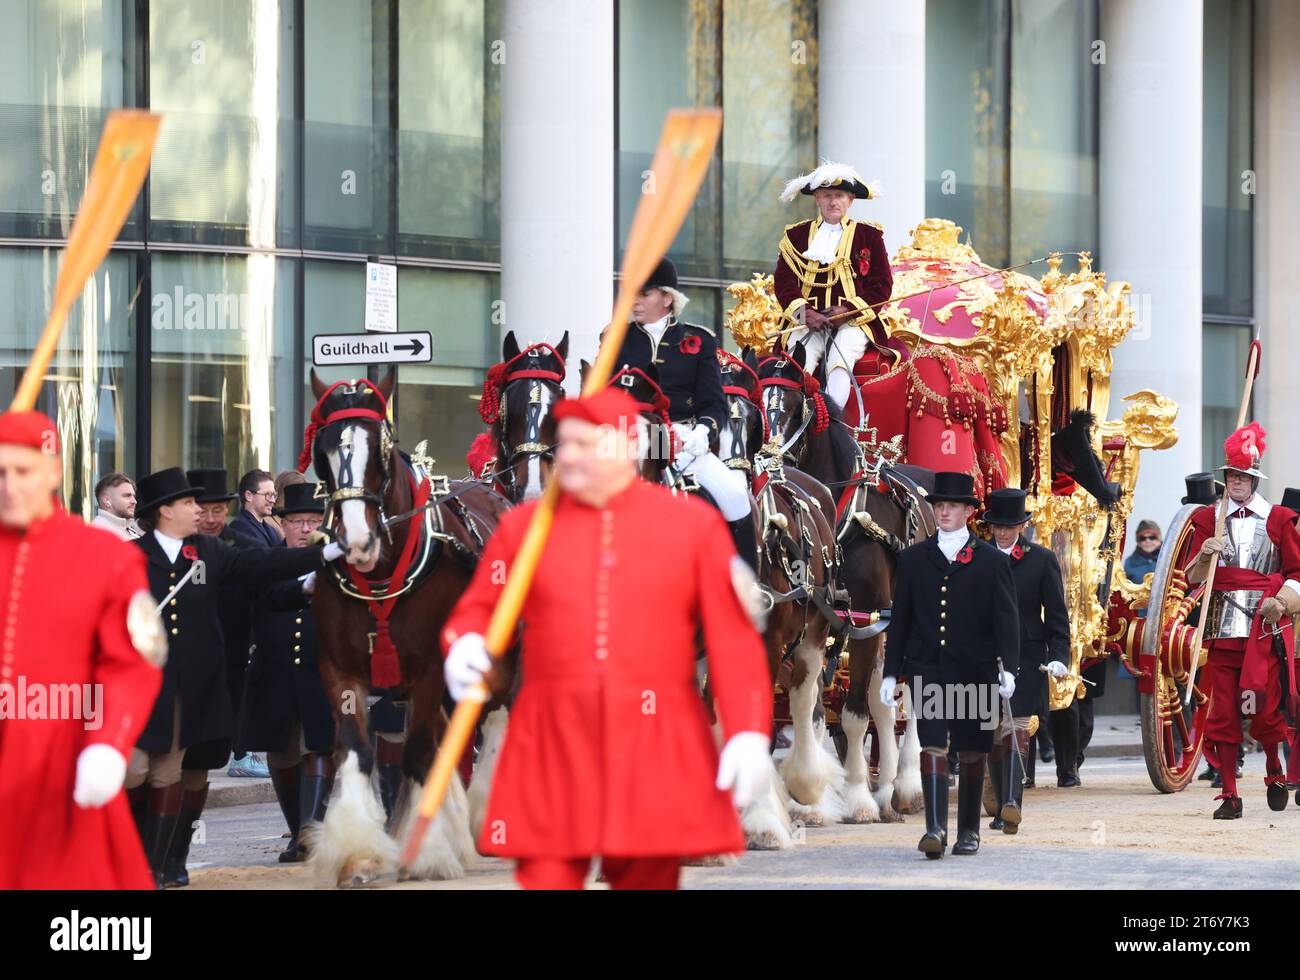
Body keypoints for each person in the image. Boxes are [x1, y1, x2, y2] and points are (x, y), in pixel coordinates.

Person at [441, 387, 773, 890]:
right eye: (563, 445)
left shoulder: (693, 526)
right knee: (547, 875)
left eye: (583, 444)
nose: (566, 456)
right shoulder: (524, 527)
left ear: (626, 447)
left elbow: (733, 639)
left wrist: (749, 731)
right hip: (552, 738)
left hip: (654, 737)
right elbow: (478, 609)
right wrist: (463, 643)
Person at [125, 467, 343, 886]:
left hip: (201, 685)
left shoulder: (211, 551)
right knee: (134, 773)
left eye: (209, 505)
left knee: (178, 775)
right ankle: (135, 849)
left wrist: (325, 555)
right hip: (143, 687)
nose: (202, 511)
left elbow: (264, 564)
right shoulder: (130, 556)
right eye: (191, 504)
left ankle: (162, 863)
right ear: (165, 511)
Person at [0, 410, 164, 888]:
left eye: (22, 471)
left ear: (52, 471)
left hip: (63, 757)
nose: (9, 486)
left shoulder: (105, 556)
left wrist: (110, 744)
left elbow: (135, 659)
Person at [881, 471, 1019, 858]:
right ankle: (935, 830)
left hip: (975, 672)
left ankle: (969, 831)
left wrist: (1008, 668)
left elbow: (1007, 620)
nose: (944, 512)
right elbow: (902, 620)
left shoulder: (991, 561)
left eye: (952, 506)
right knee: (934, 746)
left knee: (973, 750)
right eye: (939, 505)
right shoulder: (913, 559)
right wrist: (892, 671)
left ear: (968, 512)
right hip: (930, 669)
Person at [1183, 423, 1300, 819]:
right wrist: (1204, 555)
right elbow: (1191, 578)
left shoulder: (1280, 518)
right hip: (1220, 630)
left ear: (1254, 480)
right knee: (1223, 712)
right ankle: (1230, 794)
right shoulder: (1206, 519)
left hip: (1263, 630)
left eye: (1243, 476)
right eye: (1231, 475)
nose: (1236, 482)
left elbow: (1297, 573)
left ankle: (1273, 769)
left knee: (1264, 706)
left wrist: (1281, 601)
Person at [610, 256, 756, 569]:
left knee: (735, 496)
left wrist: (703, 432)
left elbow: (714, 404)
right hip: (626, 441)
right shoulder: (615, 340)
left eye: (644, 293)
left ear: (667, 297)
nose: (634, 301)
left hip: (682, 438)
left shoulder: (699, 341)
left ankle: (746, 590)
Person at [240, 481, 335, 862]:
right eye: (296, 521)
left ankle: (311, 833)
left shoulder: (333, 565)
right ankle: (297, 831)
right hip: (274, 672)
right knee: (281, 753)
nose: (304, 528)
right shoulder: (266, 562)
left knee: (317, 747)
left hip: (320, 672)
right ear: (282, 524)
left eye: (313, 520)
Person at [773, 161, 894, 411]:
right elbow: (784, 283)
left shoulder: (869, 236)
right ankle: (788, 427)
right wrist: (805, 314)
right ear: (817, 198)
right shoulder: (795, 236)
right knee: (796, 362)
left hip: (854, 321)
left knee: (841, 359)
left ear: (850, 200)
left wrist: (846, 311)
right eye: (827, 195)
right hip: (806, 321)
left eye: (839, 196)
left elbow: (882, 286)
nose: (833, 202)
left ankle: (829, 418)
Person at [981, 489, 1070, 828]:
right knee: (990, 730)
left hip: (1028, 654)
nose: (1003, 532)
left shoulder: (1042, 559)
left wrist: (1061, 656)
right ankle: (1001, 801)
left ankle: (1011, 804)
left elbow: (1057, 616)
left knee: (1017, 727)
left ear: (1021, 526)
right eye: (998, 526)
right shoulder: (977, 555)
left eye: (1011, 526)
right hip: (985, 657)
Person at [189, 468, 269, 781]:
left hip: (234, 649)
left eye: (218, 511)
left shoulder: (244, 544)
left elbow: (267, 583)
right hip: (187, 660)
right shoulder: (169, 548)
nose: (210, 518)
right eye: (203, 510)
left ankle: (241, 753)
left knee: (234, 708)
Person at [232, 468, 283, 547]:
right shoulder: (239, 528)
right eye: (268, 495)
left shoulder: (271, 529)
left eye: (274, 495)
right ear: (249, 496)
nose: (273, 500)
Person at [90, 471, 142, 540]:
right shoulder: (99, 533)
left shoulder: (130, 529)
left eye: (133, 496)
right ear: (107, 501)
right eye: (127, 496)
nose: (134, 501)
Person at [1124, 519, 1162, 585]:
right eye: (1142, 538)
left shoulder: (1171, 559)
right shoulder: (1129, 563)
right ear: (1138, 542)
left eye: (1152, 537)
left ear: (1159, 539)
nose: (1147, 541)